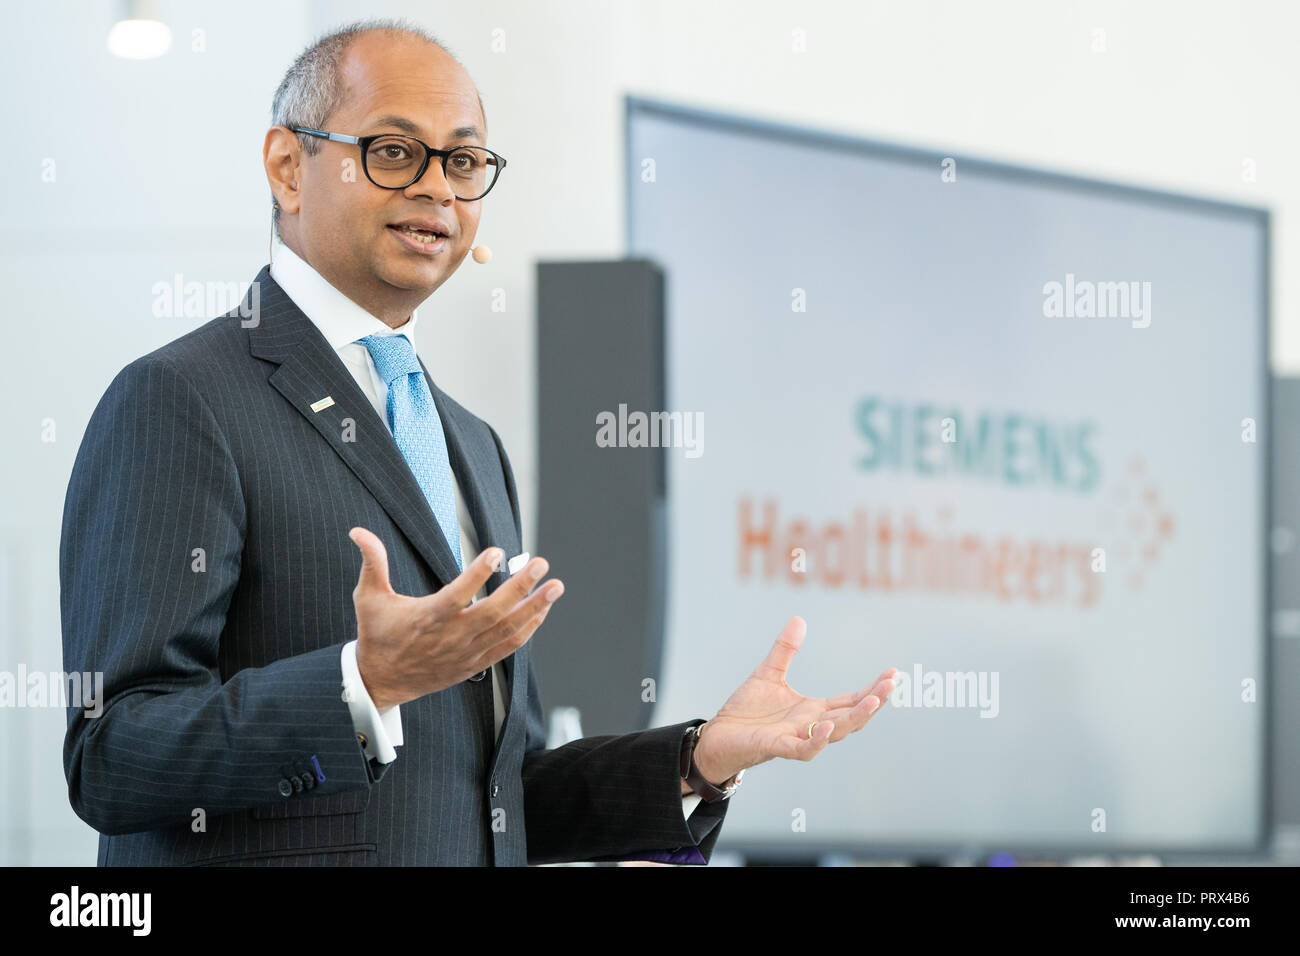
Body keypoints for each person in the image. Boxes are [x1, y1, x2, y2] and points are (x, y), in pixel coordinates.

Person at [59, 18, 898, 866]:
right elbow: (111, 758)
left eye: (462, 162)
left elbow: (500, 792)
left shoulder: (471, 443)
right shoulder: (179, 399)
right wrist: (363, 686)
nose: (438, 191)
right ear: (288, 165)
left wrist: (697, 761)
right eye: (394, 151)